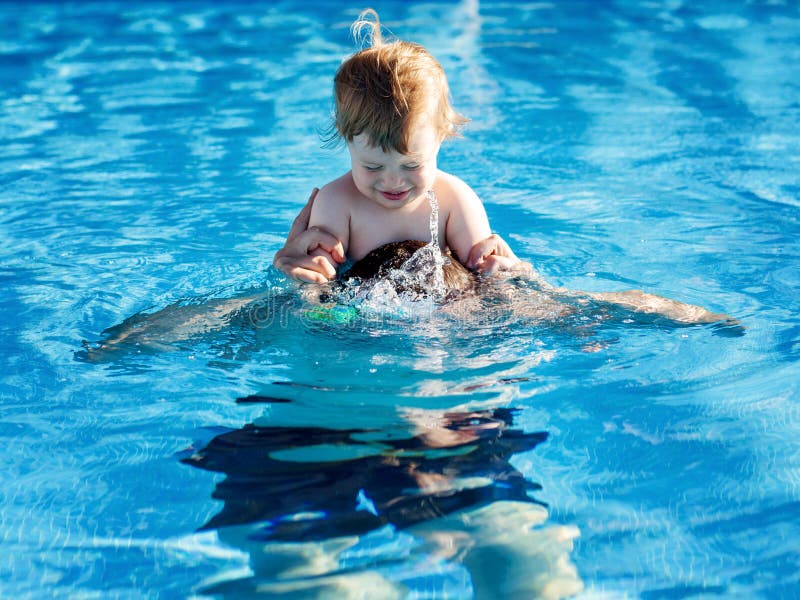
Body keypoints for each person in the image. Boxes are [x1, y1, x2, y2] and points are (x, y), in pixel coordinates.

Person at [273, 9, 527, 284]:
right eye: (372, 166)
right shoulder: (337, 203)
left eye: (412, 164)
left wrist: (513, 274)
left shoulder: (454, 200)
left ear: (440, 137)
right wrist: (305, 281)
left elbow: (487, 280)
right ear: (347, 138)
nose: (393, 180)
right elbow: (317, 285)